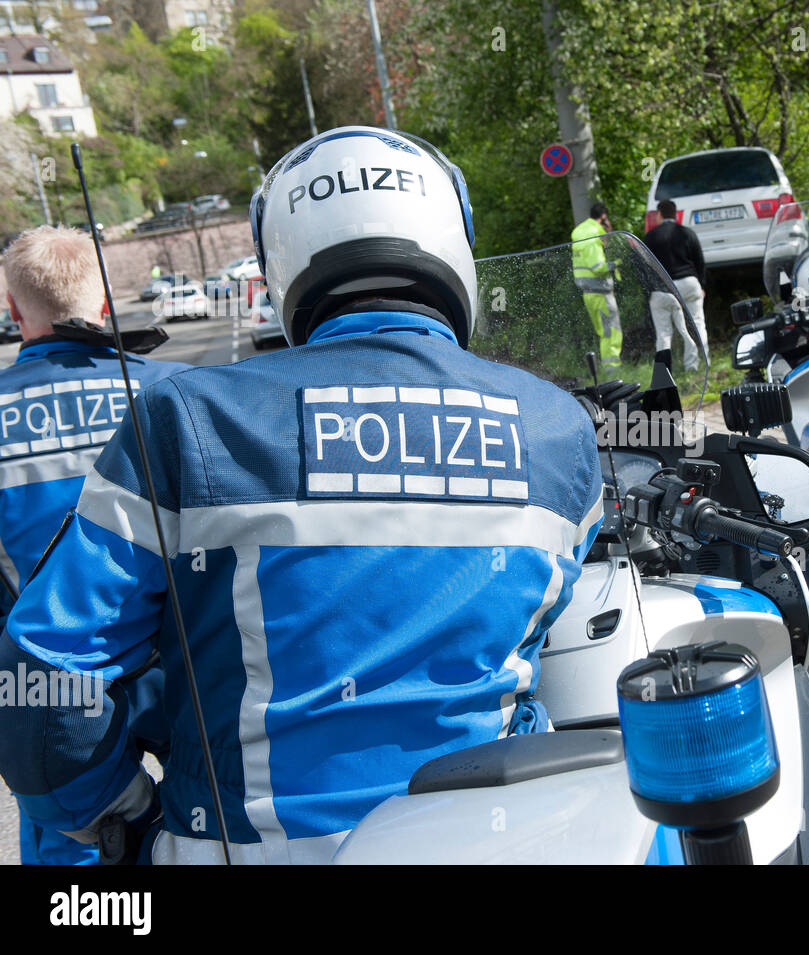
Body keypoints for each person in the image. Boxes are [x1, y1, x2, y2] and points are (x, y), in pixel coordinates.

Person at [0, 127, 604, 865]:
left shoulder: (189, 417)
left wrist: (124, 812)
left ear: (279, 257)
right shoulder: (559, 429)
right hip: (493, 845)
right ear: (455, 237)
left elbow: (44, 672)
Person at [0, 225, 188, 864]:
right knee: (209, 816)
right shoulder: (182, 391)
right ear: (104, 304)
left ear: (13, 308)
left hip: (51, 679)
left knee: (79, 842)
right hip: (182, 662)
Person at [643, 199, 709, 373]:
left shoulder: (650, 237)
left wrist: (648, 291)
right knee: (696, 324)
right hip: (689, 283)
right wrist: (701, 284)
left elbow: (643, 267)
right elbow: (699, 261)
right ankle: (696, 365)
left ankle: (664, 372)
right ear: (676, 214)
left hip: (662, 289)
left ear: (659, 215)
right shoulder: (687, 233)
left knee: (664, 333)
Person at [570, 202, 622, 368]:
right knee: (611, 331)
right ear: (604, 218)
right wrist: (616, 264)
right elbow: (598, 267)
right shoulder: (593, 237)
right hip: (601, 292)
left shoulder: (582, 233)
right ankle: (612, 369)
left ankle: (608, 367)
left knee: (603, 332)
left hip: (588, 292)